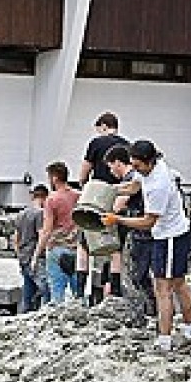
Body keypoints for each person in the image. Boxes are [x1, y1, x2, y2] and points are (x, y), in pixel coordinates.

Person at [103, 140, 191, 353]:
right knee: (178, 283)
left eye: (137, 166)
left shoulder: (159, 184)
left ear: (148, 162)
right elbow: (134, 186)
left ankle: (165, 340)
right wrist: (108, 190)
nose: (134, 169)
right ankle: (190, 330)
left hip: (170, 236)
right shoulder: (149, 170)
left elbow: (148, 221)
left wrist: (117, 220)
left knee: (163, 288)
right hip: (167, 234)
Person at [80, 112, 129, 299]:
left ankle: (81, 290)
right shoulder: (127, 144)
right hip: (118, 199)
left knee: (84, 245)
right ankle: (114, 289)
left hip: (97, 198)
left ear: (103, 126)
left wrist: (83, 186)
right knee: (115, 245)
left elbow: (84, 171)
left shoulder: (96, 143)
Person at [105, 145, 155, 327]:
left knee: (137, 278)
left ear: (118, 163)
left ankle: (144, 315)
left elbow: (119, 204)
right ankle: (149, 313)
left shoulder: (137, 177)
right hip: (142, 233)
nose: (112, 171)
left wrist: (112, 214)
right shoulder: (137, 177)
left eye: (111, 167)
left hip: (143, 234)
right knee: (141, 278)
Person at [36, 162, 81, 303]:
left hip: (57, 247)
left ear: (54, 178)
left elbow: (47, 229)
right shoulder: (78, 196)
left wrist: (37, 254)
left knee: (57, 293)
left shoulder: (52, 199)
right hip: (76, 249)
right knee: (78, 292)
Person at [13, 184, 49, 312]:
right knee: (46, 290)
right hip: (36, 258)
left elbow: (15, 238)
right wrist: (36, 257)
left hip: (23, 258)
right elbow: (41, 236)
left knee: (27, 292)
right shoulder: (40, 213)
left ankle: (23, 317)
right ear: (45, 198)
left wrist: (19, 255)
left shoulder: (21, 213)